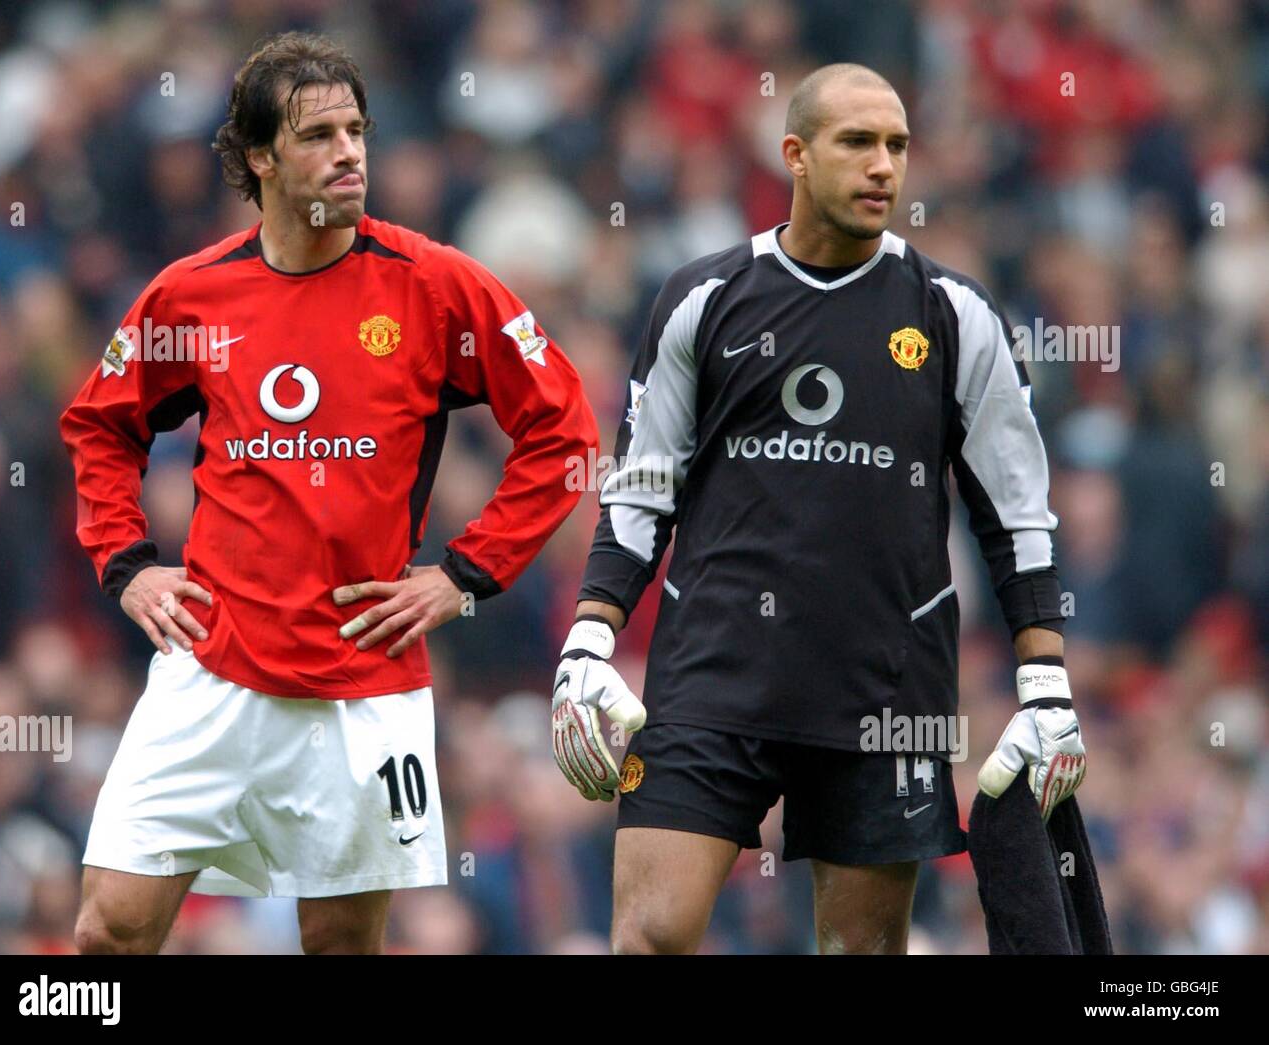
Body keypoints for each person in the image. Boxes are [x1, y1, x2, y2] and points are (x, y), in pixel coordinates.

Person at [59, 31, 598, 954]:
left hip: (365, 685)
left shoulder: (433, 285)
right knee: (108, 932)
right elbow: (100, 425)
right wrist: (127, 564)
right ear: (261, 157)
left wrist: (465, 574)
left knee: (342, 947)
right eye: (319, 135)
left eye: (358, 130)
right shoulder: (194, 297)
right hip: (211, 667)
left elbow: (564, 429)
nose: (349, 152)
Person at [550, 64, 1086, 954]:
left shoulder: (955, 315)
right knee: (648, 934)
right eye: (858, 143)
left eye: (898, 146)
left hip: (886, 688)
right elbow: (642, 487)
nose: (884, 166)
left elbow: (1017, 513)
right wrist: (589, 638)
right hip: (713, 672)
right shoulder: (704, 298)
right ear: (794, 155)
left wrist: (1045, 679)